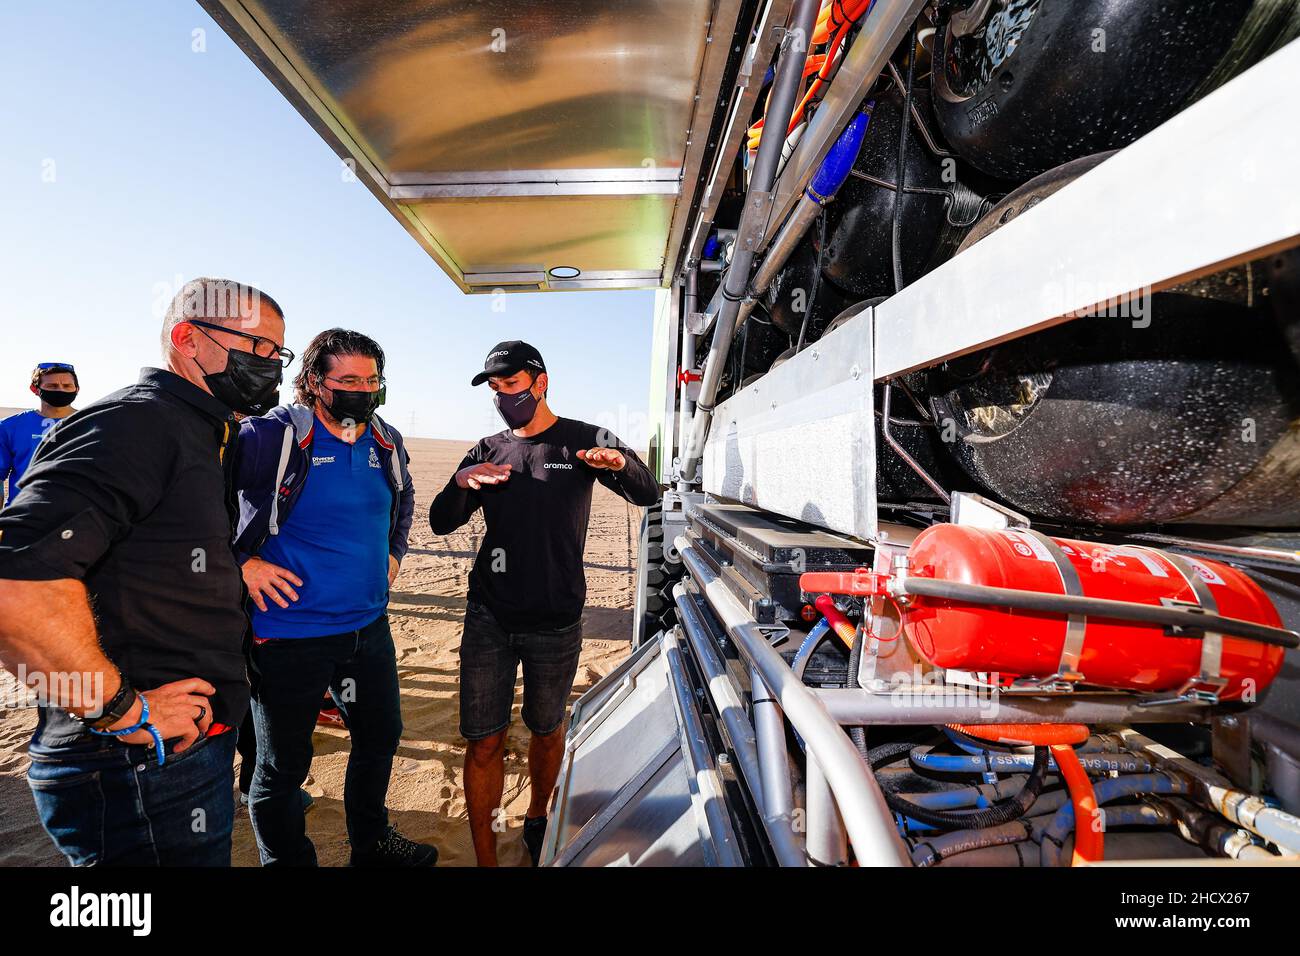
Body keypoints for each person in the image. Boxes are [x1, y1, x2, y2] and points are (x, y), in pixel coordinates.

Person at [0, 276, 289, 866]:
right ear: (188, 338)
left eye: (276, 353)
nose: (269, 366)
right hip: (133, 763)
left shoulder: (206, 432)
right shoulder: (136, 425)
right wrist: (120, 709)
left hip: (175, 752)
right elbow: (16, 586)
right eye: (257, 347)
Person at [429, 340, 660, 866]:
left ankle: (538, 817)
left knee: (547, 727)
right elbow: (443, 520)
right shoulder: (488, 448)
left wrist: (620, 463)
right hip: (489, 617)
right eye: (494, 388)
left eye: (510, 385)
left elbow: (648, 493)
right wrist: (461, 482)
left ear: (540, 382)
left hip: (556, 620)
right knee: (483, 742)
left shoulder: (584, 440)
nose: (501, 396)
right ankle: (487, 855)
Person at [232, 328, 437, 867]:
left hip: (368, 627)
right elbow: (198, 498)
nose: (361, 390)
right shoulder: (269, 437)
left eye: (371, 380)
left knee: (380, 736)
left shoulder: (384, 439)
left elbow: (404, 496)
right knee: (281, 767)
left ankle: (371, 845)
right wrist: (243, 562)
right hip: (288, 633)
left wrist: (394, 551)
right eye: (347, 380)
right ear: (315, 382)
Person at [0, 362, 80, 504]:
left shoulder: (93, 423)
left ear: (77, 389)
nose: (61, 390)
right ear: (34, 389)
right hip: (23, 516)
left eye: (67, 386)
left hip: (78, 518)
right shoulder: (9, 427)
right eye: (52, 386)